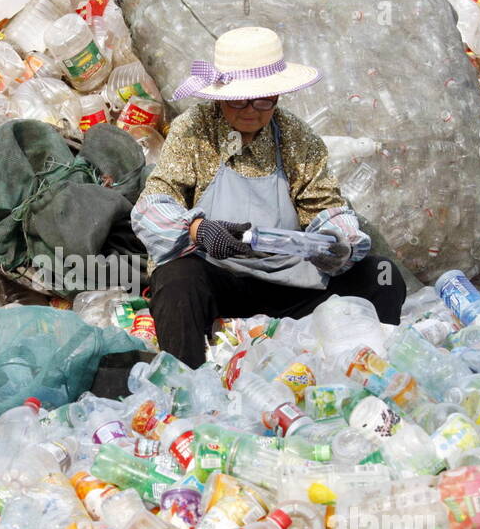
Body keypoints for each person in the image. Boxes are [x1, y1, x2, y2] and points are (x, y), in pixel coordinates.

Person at [131, 26, 406, 368]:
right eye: (238, 100)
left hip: (286, 282)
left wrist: (340, 244)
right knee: (175, 280)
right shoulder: (194, 130)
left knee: (381, 274)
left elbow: (327, 207)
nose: (251, 110)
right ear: (219, 97)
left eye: (264, 99)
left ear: (277, 94)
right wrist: (197, 230)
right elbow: (151, 205)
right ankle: (188, 389)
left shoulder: (296, 137)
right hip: (220, 280)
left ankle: (366, 372)